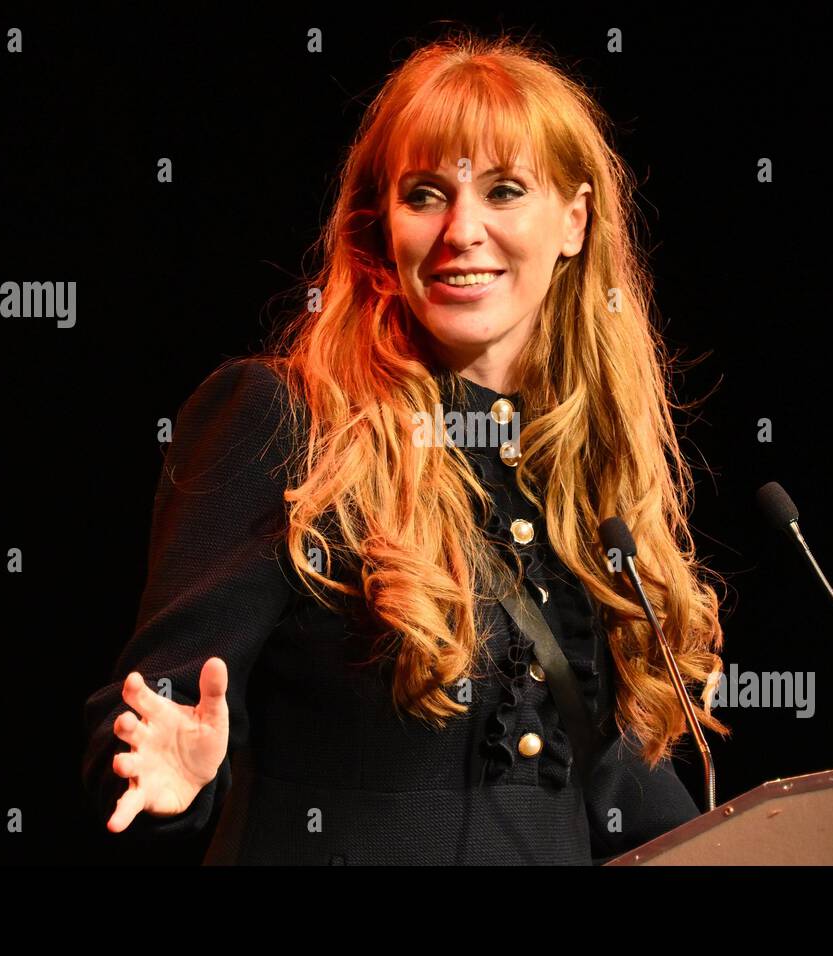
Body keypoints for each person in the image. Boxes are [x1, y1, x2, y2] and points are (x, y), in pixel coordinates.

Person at [81, 29, 730, 865]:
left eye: (504, 191)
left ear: (573, 221)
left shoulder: (577, 472)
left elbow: (605, 789)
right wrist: (168, 769)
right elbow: (147, 718)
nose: (463, 230)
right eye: (425, 194)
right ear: (381, 228)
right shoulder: (285, 422)